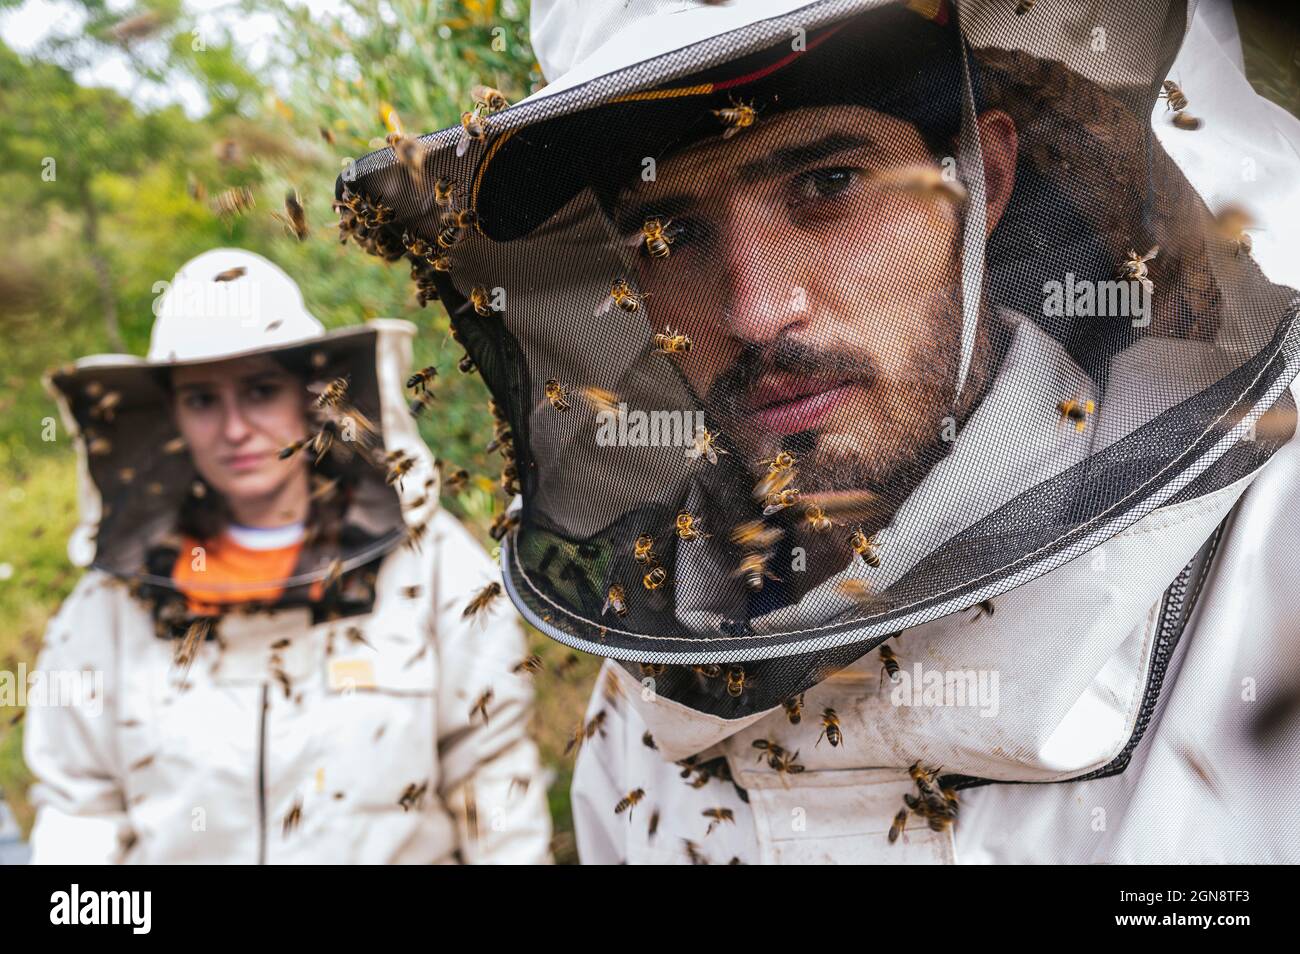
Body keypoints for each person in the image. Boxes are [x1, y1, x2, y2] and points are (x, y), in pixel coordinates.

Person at [333, 0, 1300, 863]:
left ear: (984, 179)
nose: (757, 311)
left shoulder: (1272, 564)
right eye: (668, 234)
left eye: (829, 184)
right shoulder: (658, 675)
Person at [25, 248, 552, 864]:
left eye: (260, 390)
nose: (234, 428)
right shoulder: (112, 600)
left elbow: (491, 781)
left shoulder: (431, 564)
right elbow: (79, 810)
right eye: (201, 400)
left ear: (310, 396)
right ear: (172, 414)